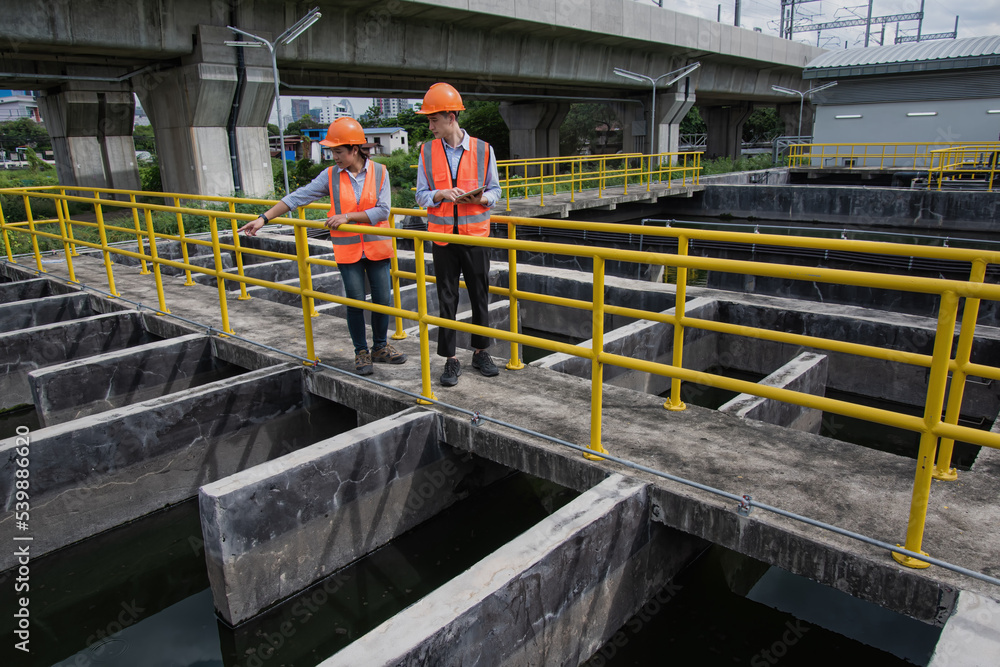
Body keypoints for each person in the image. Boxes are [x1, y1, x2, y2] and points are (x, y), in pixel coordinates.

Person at [238, 117, 406, 376]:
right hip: (348, 251)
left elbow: (383, 211)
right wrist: (263, 218)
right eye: (331, 152)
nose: (334, 157)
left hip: (377, 248)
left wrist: (348, 217)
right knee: (356, 301)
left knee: (382, 300)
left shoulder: (381, 172)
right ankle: (361, 352)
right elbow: (297, 197)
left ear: (354, 149)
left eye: (338, 151)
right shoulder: (330, 176)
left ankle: (380, 347)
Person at [415, 82, 502, 387]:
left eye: (434, 120)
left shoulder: (483, 149)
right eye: (429, 120)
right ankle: (450, 359)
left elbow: (496, 192)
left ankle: (480, 352)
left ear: (451, 117)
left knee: (480, 295)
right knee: (447, 298)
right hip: (442, 237)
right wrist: (439, 194)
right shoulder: (426, 151)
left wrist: (480, 199)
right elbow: (421, 196)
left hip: (475, 235)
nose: (430, 126)